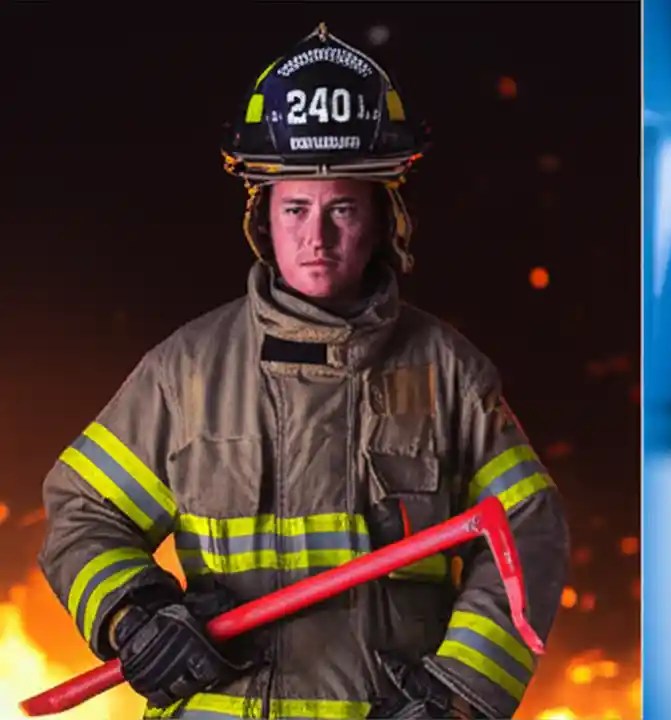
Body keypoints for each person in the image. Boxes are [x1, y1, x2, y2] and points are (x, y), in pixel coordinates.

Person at [37, 23, 569, 720]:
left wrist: (459, 695)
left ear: (384, 219)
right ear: (263, 218)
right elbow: (83, 509)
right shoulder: (188, 372)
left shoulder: (449, 377)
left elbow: (529, 527)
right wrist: (134, 613)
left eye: (342, 208)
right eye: (295, 209)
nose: (316, 237)